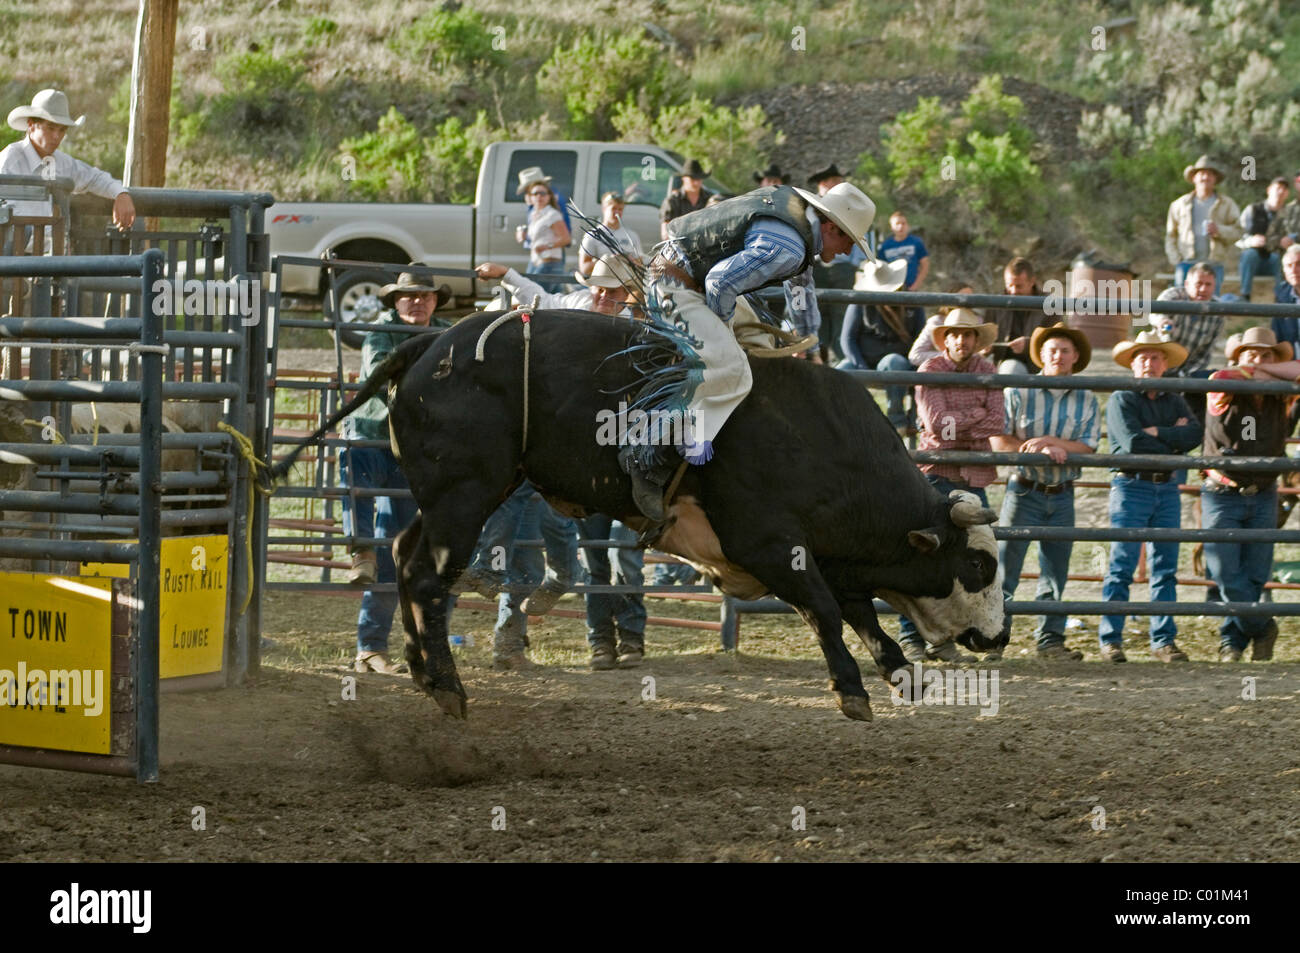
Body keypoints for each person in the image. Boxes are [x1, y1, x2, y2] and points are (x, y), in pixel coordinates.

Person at [624, 181, 877, 520]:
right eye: (847, 239)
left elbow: (799, 285)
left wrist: (809, 343)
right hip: (673, 284)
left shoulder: (797, 224)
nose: (848, 251)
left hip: (688, 273)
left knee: (749, 350)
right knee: (732, 369)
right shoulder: (788, 246)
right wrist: (724, 329)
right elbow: (719, 283)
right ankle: (647, 456)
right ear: (831, 227)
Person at [341, 266, 452, 673]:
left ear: (435, 301)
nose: (418, 302)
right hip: (374, 435)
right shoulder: (381, 332)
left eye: (425, 296)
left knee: (403, 546)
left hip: (411, 449)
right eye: (410, 296)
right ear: (395, 301)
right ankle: (360, 548)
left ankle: (380, 646)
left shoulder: (447, 332)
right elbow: (384, 373)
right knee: (358, 472)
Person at [898, 308, 1004, 662]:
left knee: (976, 556)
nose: (961, 340)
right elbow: (935, 422)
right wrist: (973, 418)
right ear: (945, 339)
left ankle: (966, 636)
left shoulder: (988, 370)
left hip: (971, 473)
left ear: (976, 340)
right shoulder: (930, 369)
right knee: (925, 552)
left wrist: (958, 425)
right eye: (954, 334)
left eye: (968, 334)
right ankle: (913, 636)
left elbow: (998, 421)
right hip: (937, 470)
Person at [990, 323, 1099, 661]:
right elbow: (998, 440)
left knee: (1055, 570)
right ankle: (995, 638)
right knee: (1006, 568)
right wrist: (1034, 449)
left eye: (1066, 350)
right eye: (1052, 350)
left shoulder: (1087, 397)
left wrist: (1053, 443)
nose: (1058, 355)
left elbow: (1089, 446)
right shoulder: (1019, 391)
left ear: (1075, 357)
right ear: (1041, 355)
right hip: (1024, 489)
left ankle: (1049, 640)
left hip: (1063, 492)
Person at [1099, 332, 1202, 663]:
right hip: (1133, 484)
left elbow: (1195, 435)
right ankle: (1111, 639)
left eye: (1156, 357)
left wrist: (1157, 434)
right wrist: (1172, 436)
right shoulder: (1122, 397)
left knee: (1165, 565)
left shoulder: (1174, 398)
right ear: (1133, 363)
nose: (1150, 363)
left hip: (1165, 485)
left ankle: (1163, 640)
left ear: (1165, 364)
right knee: (1122, 564)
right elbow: (1131, 443)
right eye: (1143, 357)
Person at [1201, 326, 1297, 662]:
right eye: (1251, 354)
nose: (1258, 360)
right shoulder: (1223, 385)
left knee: (1255, 573)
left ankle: (1234, 643)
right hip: (1223, 490)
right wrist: (1258, 371)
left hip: (1264, 492)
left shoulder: (1281, 392)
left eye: (1266, 354)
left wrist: (1262, 371)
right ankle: (1263, 627)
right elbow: (1222, 375)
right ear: (1238, 356)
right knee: (1226, 572)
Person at [0, 88, 135, 230]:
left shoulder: (63, 163)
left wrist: (121, 194)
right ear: (31, 125)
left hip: (52, 249)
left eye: (62, 130)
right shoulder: (10, 160)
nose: (56, 136)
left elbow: (94, 178)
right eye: (50, 128)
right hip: (15, 251)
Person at [836, 258, 918, 432]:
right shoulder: (861, 303)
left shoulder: (912, 303)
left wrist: (913, 363)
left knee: (893, 362)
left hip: (899, 363)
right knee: (841, 370)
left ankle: (897, 420)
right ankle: (842, 421)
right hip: (863, 361)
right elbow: (847, 339)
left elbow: (919, 338)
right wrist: (862, 366)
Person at [1153, 260, 1226, 424]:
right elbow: (1157, 314)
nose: (1203, 289)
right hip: (1159, 365)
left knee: (1209, 386)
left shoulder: (1218, 311)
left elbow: (1206, 352)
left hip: (1189, 369)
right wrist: (1164, 323)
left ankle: (1200, 435)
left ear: (1214, 287)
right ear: (1186, 283)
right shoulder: (1173, 295)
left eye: (1208, 285)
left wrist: (1186, 376)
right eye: (1199, 283)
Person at [806, 162, 865, 363]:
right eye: (836, 181)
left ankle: (843, 360)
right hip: (816, 267)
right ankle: (819, 358)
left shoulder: (846, 206)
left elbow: (855, 237)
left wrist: (855, 264)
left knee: (842, 314)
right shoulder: (810, 207)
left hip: (842, 268)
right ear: (823, 184)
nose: (840, 184)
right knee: (816, 312)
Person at [577, 513, 647, 670]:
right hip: (590, 498)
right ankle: (601, 641)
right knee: (594, 565)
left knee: (624, 556)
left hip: (629, 497)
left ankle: (631, 637)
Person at [1164, 155, 1241, 294]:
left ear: (1215, 179)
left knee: (1211, 305)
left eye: (1210, 174)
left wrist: (1219, 230)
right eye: (1201, 173)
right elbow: (1171, 235)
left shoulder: (1227, 204)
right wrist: (1176, 259)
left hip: (1214, 264)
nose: (1205, 177)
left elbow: (1238, 231)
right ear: (1194, 178)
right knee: (1181, 303)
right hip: (1186, 263)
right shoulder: (1179, 204)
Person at [474, 254, 636, 316]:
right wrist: (506, 273)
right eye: (599, 289)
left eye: (612, 291)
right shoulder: (581, 300)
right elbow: (544, 301)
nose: (603, 296)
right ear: (591, 288)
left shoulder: (627, 328)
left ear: (625, 294)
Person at [985, 257, 1052, 374]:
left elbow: (1057, 339)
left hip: (1041, 366)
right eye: (1009, 285)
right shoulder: (996, 304)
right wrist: (985, 348)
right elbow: (986, 337)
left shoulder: (1049, 305)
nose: (1013, 291)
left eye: (1019, 286)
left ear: (1032, 282)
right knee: (1011, 369)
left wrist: (1029, 344)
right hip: (1005, 365)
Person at [1238, 176, 1290, 298]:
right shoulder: (1252, 210)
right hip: (1254, 259)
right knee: (1249, 255)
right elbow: (1237, 237)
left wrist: (1290, 242)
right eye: (1278, 188)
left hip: (1276, 259)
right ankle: (1245, 296)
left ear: (1287, 194)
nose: (1280, 192)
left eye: (1284, 189)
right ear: (1269, 190)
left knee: (1281, 259)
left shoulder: (1290, 213)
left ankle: (1282, 299)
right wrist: (1250, 241)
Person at [909, 280, 975, 368]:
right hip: (940, 370)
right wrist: (951, 356)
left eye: (971, 301)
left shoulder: (977, 322)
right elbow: (915, 355)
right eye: (962, 300)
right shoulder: (936, 322)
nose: (967, 305)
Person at [518, 178, 571, 284]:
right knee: (530, 293)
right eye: (535, 193)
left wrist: (547, 246)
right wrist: (522, 234)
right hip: (536, 261)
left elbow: (566, 239)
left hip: (549, 263)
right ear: (530, 197)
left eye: (542, 193)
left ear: (549, 196)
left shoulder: (552, 214)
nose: (539, 196)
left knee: (533, 295)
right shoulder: (533, 214)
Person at [578, 191, 643, 276]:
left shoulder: (632, 235)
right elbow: (584, 268)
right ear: (604, 209)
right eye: (614, 208)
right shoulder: (592, 235)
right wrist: (609, 261)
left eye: (620, 209)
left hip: (625, 285)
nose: (617, 212)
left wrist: (629, 261)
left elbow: (640, 265)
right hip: (602, 284)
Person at [659, 159, 713, 240]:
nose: (696, 183)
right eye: (692, 179)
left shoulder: (710, 199)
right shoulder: (672, 201)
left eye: (698, 179)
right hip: (680, 247)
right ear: (684, 178)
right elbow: (665, 234)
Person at [877, 210, 930, 291]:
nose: (900, 226)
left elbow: (925, 265)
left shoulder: (916, 242)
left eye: (903, 223)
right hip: (891, 289)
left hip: (911, 288)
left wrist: (916, 285)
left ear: (908, 225)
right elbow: (881, 269)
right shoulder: (885, 246)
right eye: (897, 224)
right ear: (891, 227)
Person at [1269, 245, 1300, 351]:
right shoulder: (1282, 295)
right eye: (1289, 265)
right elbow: (1278, 337)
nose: (1294, 270)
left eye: (1299, 264)